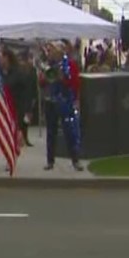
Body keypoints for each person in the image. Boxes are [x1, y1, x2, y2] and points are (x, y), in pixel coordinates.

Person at [40, 41, 83, 171]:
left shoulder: (69, 65)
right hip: (50, 101)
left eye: (52, 50)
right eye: (49, 50)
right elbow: (42, 83)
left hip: (65, 101)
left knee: (69, 131)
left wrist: (76, 100)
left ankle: (75, 160)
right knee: (51, 132)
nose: (50, 53)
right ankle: (50, 161)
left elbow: (75, 83)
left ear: (60, 51)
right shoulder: (48, 65)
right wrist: (44, 78)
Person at [0, 48, 25, 172]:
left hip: (13, 108)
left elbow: (22, 93)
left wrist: (24, 111)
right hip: (0, 108)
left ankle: (11, 159)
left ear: (7, 58)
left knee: (12, 134)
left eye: (1, 57)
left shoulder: (17, 74)